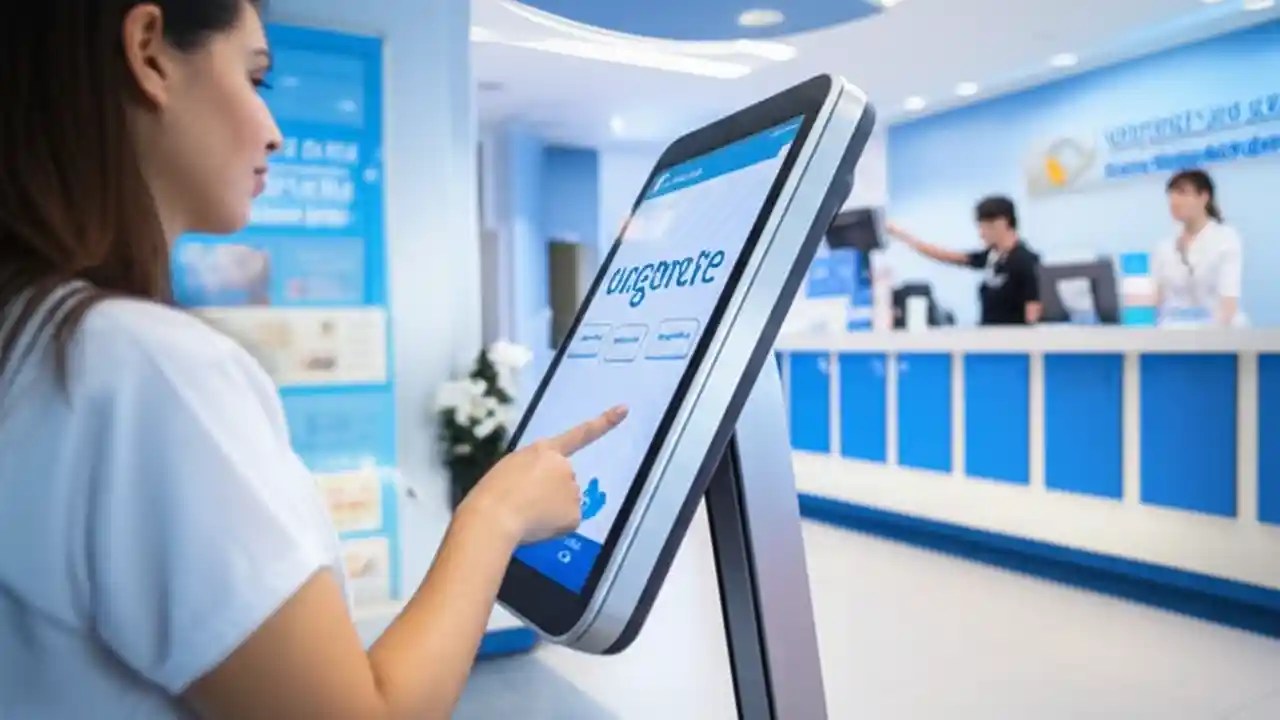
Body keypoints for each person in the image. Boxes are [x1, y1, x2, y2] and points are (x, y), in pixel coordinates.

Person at [0, 3, 626, 719]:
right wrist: (496, 511)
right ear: (148, 53)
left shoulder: (27, 339)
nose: (273, 132)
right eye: (255, 79)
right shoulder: (139, 367)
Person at [885, 196, 1042, 326]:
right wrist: (903, 236)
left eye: (984, 227)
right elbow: (945, 255)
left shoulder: (1025, 260)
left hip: (1014, 348)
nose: (981, 234)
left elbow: (1032, 312)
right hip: (991, 340)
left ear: (1001, 223)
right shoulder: (992, 257)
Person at [1152, 169, 1245, 327]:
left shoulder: (1225, 238)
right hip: (1173, 332)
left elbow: (1228, 301)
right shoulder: (1165, 247)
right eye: (1171, 194)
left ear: (1204, 197)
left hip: (1219, 334)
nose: (1174, 200)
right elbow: (1156, 301)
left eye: (1182, 193)